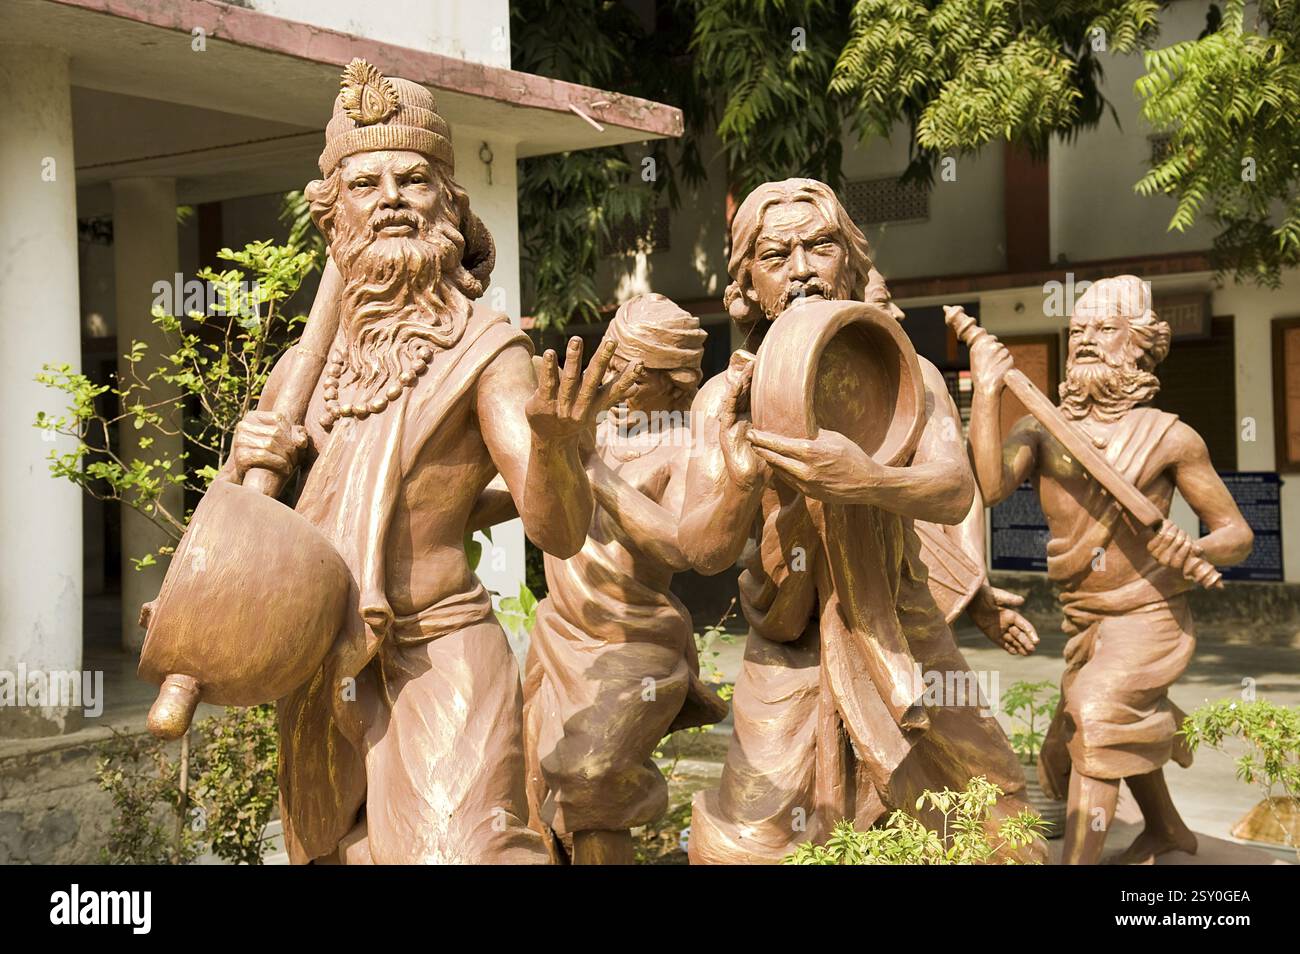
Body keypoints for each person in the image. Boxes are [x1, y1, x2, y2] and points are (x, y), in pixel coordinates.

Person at [227, 59, 639, 863]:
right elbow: (242, 541)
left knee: (461, 854)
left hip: (437, 651)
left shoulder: (489, 351)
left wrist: (556, 449)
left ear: (447, 204)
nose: (388, 198)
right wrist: (244, 461)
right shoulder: (300, 372)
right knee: (332, 850)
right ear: (332, 211)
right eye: (365, 182)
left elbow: (556, 530)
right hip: (318, 660)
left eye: (412, 180)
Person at [681, 178, 1039, 864]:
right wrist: (742, 482)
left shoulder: (910, 375)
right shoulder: (721, 401)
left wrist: (869, 480)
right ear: (748, 284)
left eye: (820, 246)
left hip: (902, 629)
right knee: (751, 840)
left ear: (850, 260)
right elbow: (702, 549)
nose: (802, 270)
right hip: (789, 637)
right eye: (776, 255)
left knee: (992, 811)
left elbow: (954, 490)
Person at [964, 275, 1253, 864]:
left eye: (1104, 328)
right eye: (1078, 330)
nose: (1086, 340)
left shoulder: (1169, 438)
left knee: (1095, 718)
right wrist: (989, 393)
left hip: (1149, 614)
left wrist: (1196, 550)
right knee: (1085, 737)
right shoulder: (1042, 429)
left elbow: (1238, 535)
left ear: (1140, 344)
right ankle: (1168, 829)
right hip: (1085, 619)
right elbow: (988, 488)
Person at [519, 294, 728, 864]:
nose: (613, 381)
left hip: (636, 645)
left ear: (675, 382)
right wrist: (553, 448)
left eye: (633, 374)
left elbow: (681, 543)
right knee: (532, 792)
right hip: (559, 637)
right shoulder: (582, 430)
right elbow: (518, 500)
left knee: (591, 778)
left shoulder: (681, 446)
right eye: (611, 362)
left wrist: (593, 469)